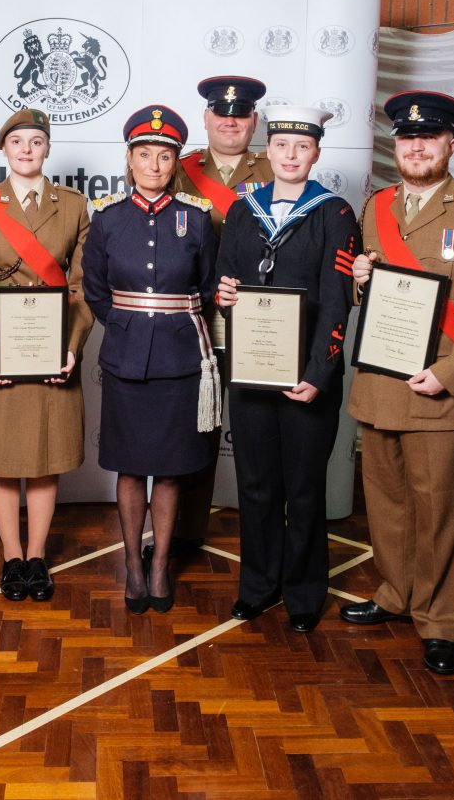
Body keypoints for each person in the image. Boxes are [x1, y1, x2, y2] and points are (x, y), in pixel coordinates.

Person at [342, 92, 454, 675]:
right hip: (381, 381)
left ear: (450, 145)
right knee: (386, 507)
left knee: (439, 511)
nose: (417, 147)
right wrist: (362, 279)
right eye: (408, 139)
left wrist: (450, 373)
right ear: (398, 146)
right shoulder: (378, 207)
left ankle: (440, 621)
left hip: (439, 388)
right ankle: (396, 593)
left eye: (430, 138)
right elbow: (378, 295)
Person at [214, 105, 359, 634]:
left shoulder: (336, 213)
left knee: (302, 491)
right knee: (254, 486)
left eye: (302, 147)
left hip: (305, 377)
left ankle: (302, 592)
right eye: (282, 146)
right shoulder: (242, 210)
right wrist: (223, 292)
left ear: (316, 153)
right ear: (267, 150)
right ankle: (257, 585)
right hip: (252, 373)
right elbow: (224, 277)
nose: (291, 155)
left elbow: (338, 301)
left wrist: (319, 375)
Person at [0, 108, 92, 603]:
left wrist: (71, 348)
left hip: (52, 350)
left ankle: (37, 557)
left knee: (45, 457)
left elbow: (82, 287)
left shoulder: (73, 205)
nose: (27, 150)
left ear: (48, 148)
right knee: (6, 460)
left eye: (36, 141)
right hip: (1, 352)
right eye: (18, 142)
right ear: (4, 150)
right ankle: (11, 557)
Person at [83, 105, 217, 613]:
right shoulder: (109, 218)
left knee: (172, 469)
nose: (154, 164)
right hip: (126, 361)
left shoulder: (197, 218)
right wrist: (122, 327)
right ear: (130, 158)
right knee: (132, 468)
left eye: (164, 155)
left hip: (181, 361)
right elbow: (95, 289)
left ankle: (160, 563)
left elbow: (205, 289)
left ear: (175, 161)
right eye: (145, 154)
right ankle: (132, 566)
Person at [159, 75, 274, 562]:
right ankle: (185, 534)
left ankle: (265, 541)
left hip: (261, 321)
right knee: (195, 427)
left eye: (241, 114)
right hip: (194, 320)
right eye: (221, 113)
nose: (231, 121)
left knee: (260, 429)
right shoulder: (178, 169)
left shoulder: (279, 167)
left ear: (253, 121)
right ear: (206, 118)